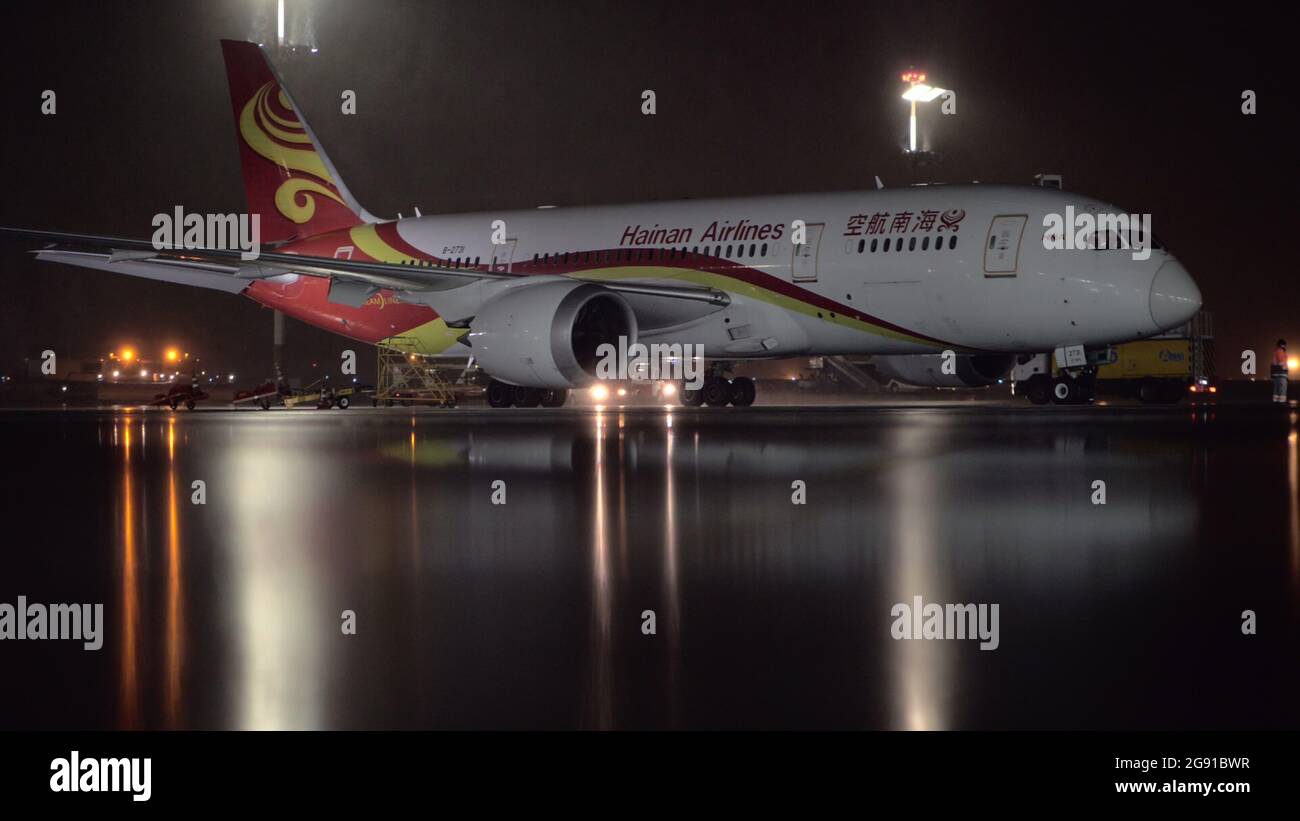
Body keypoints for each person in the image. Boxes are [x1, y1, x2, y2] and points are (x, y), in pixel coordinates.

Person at [1272, 339, 1288, 403]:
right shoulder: (1280, 351)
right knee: (1282, 387)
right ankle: (1282, 401)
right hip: (1281, 372)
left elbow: (1274, 362)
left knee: (1276, 388)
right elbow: (1281, 361)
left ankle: (1276, 400)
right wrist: (1284, 368)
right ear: (1282, 345)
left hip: (1276, 373)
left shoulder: (1276, 351)